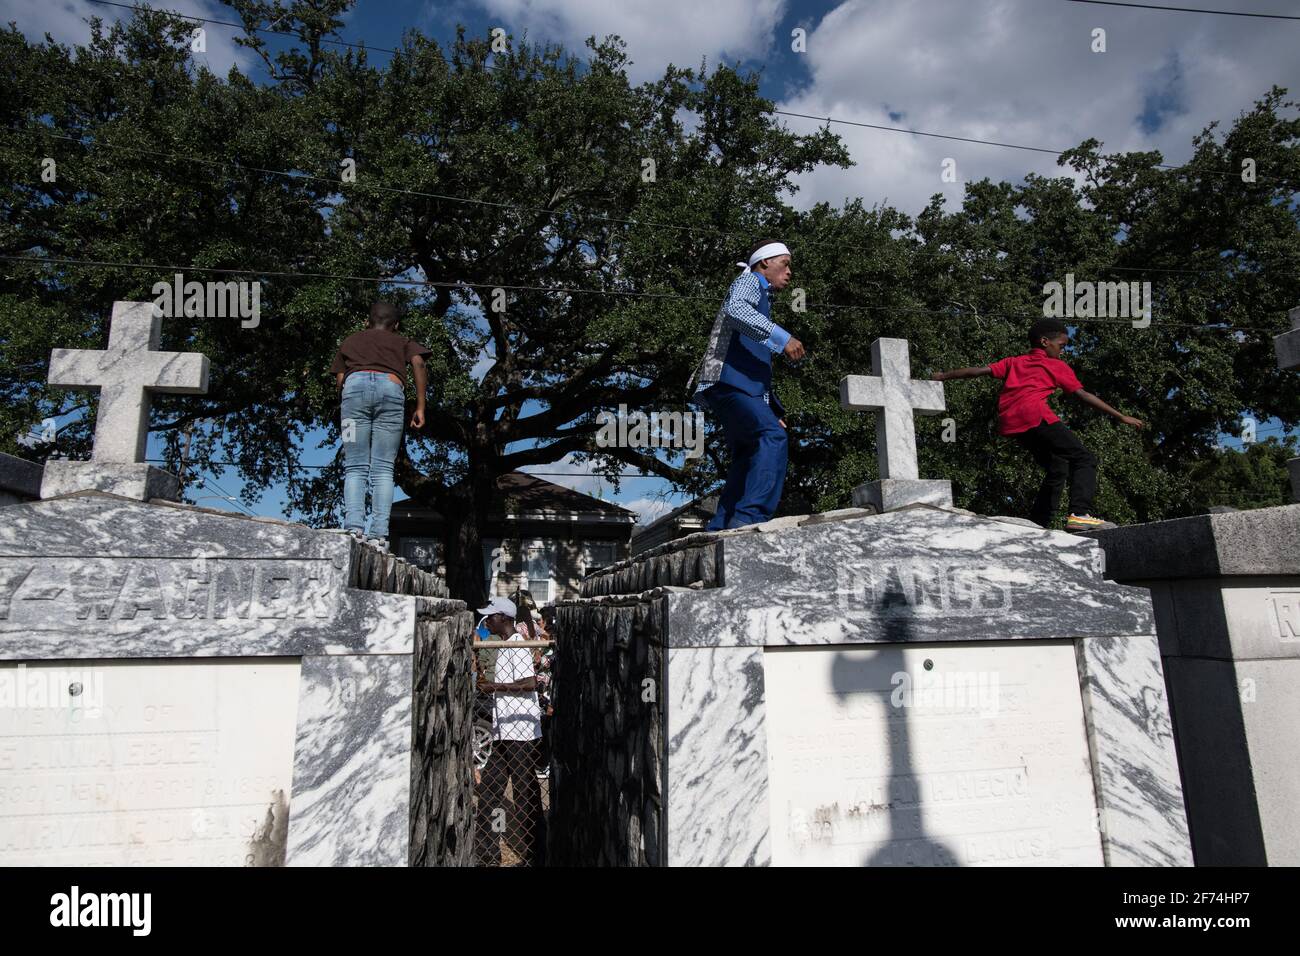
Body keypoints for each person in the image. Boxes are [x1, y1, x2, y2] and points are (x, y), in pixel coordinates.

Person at [931, 318, 1144, 532]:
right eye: (1061, 346)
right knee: (1084, 457)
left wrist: (943, 376)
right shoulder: (1056, 366)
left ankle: (1038, 522)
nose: (1063, 351)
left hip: (1012, 423)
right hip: (1035, 416)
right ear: (1044, 342)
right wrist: (1120, 416)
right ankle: (1080, 514)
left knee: (1057, 466)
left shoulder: (1014, 362)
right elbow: (1082, 395)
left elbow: (977, 371)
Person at [687, 240, 806, 530]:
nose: (789, 272)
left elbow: (754, 362)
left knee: (750, 449)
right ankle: (750, 518)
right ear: (765, 263)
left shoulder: (762, 299)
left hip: (731, 385)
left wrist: (770, 408)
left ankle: (721, 526)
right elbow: (736, 308)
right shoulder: (751, 281)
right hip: (728, 381)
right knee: (772, 438)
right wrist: (783, 338)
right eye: (785, 263)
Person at [329, 302, 430, 552]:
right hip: (391, 391)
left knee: (355, 465)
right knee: (383, 467)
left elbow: (340, 380)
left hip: (353, 394)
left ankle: (353, 528)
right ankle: (379, 536)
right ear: (395, 325)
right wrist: (420, 406)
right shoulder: (402, 341)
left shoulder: (350, 341)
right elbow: (418, 363)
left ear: (367, 322)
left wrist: (348, 405)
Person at [473, 596, 546, 866]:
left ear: (503, 617)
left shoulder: (517, 645)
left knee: (525, 793)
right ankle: (487, 855)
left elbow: (529, 683)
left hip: (521, 733)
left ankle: (535, 855)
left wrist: (494, 688)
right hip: (504, 731)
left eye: (490, 616)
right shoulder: (505, 646)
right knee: (491, 790)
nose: (487, 621)